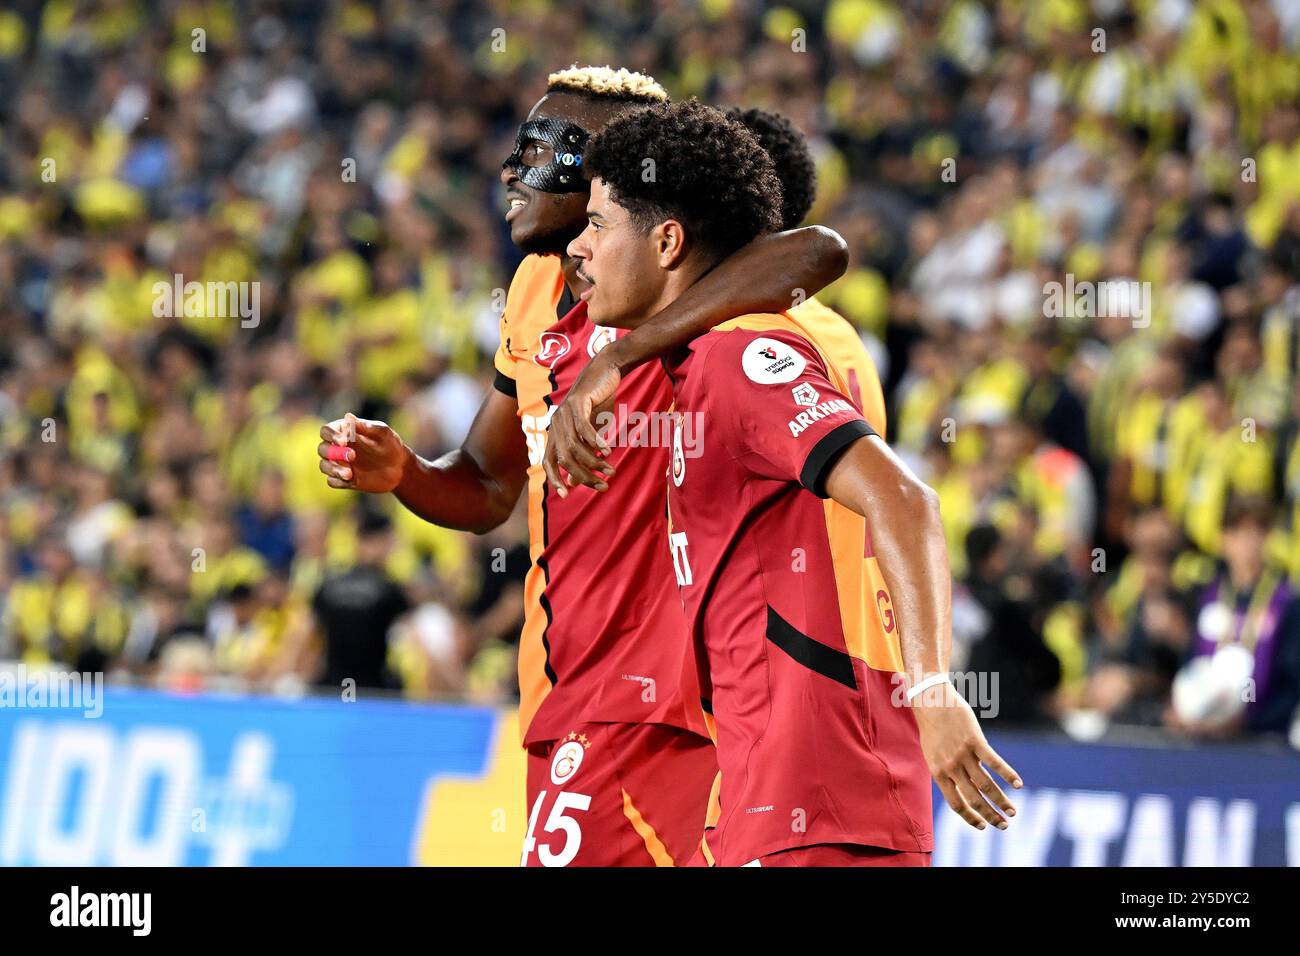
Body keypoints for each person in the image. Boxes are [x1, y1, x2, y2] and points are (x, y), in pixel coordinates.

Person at [316, 66, 851, 866]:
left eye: (541, 148)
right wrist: (404, 474)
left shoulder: (683, 272)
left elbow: (818, 250)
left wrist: (626, 355)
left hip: (671, 702)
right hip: (561, 686)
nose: (512, 171)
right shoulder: (535, 290)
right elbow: (492, 481)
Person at [568, 99, 1021, 867]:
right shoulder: (702, 361)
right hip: (770, 787)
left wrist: (935, 689)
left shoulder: (740, 357)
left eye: (599, 223)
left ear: (669, 240)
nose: (580, 246)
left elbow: (906, 501)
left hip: (823, 788)